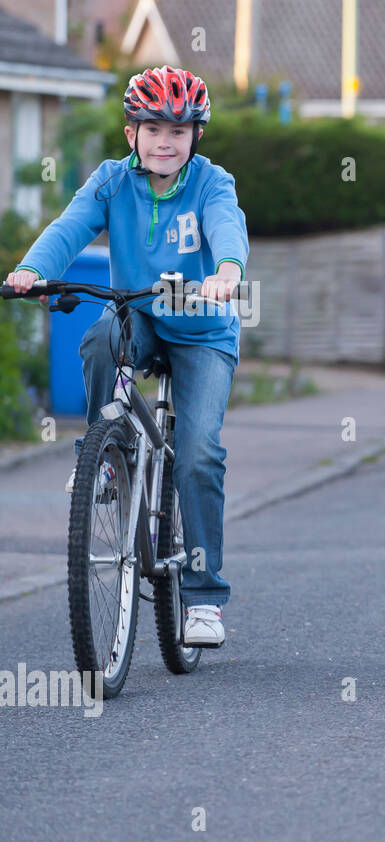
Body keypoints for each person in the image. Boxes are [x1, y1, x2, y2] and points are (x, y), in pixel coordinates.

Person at [3, 66, 249, 647]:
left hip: (201, 328)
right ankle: (106, 455)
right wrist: (35, 270)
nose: (167, 141)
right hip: (138, 314)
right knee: (97, 339)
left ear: (196, 137)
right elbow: (70, 227)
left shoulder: (212, 183)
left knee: (198, 453)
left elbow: (227, 228)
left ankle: (204, 597)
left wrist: (227, 272)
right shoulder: (112, 183)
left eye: (180, 131)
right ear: (130, 132)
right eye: (153, 128)